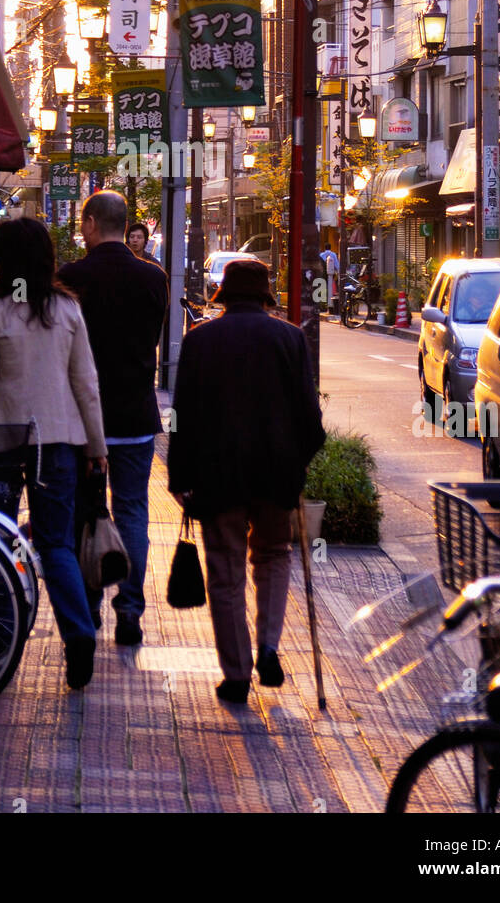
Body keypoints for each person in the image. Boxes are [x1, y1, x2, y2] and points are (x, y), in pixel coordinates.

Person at [167, 258, 324, 705]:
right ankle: (269, 645)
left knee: (226, 569)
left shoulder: (199, 340)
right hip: (276, 474)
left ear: (223, 295)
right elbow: (310, 420)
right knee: (274, 556)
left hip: (217, 474)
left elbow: (181, 418)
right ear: (264, 296)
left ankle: (236, 673)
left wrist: (180, 476)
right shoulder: (290, 338)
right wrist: (299, 464)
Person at [0, 217, 107, 691]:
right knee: (56, 543)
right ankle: (79, 632)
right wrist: (97, 446)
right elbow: (86, 383)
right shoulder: (67, 309)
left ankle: (0, 647)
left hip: (3, 443)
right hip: (61, 442)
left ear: (2, 261)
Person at [58, 190, 169, 646]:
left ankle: (89, 609)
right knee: (132, 513)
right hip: (137, 416)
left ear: (88, 224)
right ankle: (130, 611)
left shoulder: (70, 278)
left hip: (82, 422)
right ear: (125, 227)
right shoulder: (153, 277)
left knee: (85, 515)